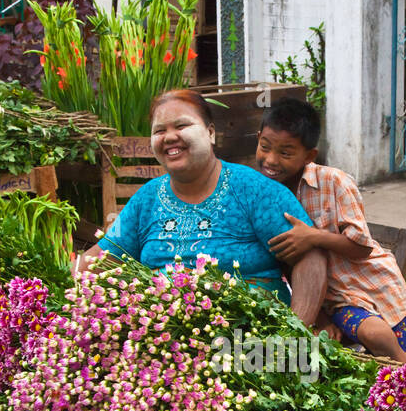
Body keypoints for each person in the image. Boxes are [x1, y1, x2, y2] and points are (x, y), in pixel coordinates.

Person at [75, 90, 328, 324]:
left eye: (182, 125)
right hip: (166, 345)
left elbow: (310, 257)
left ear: (210, 133)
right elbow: (101, 258)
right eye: (159, 130)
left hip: (251, 341)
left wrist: (295, 333)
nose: (170, 136)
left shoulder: (254, 190)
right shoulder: (146, 200)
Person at [254, 98, 406, 364]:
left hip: (375, 286)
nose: (271, 160)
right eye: (265, 147)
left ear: (309, 155)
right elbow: (285, 264)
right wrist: (318, 317)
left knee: (393, 351)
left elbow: (361, 246)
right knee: (374, 333)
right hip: (335, 300)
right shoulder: (262, 194)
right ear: (258, 139)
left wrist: (313, 237)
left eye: (285, 153)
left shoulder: (334, 182)